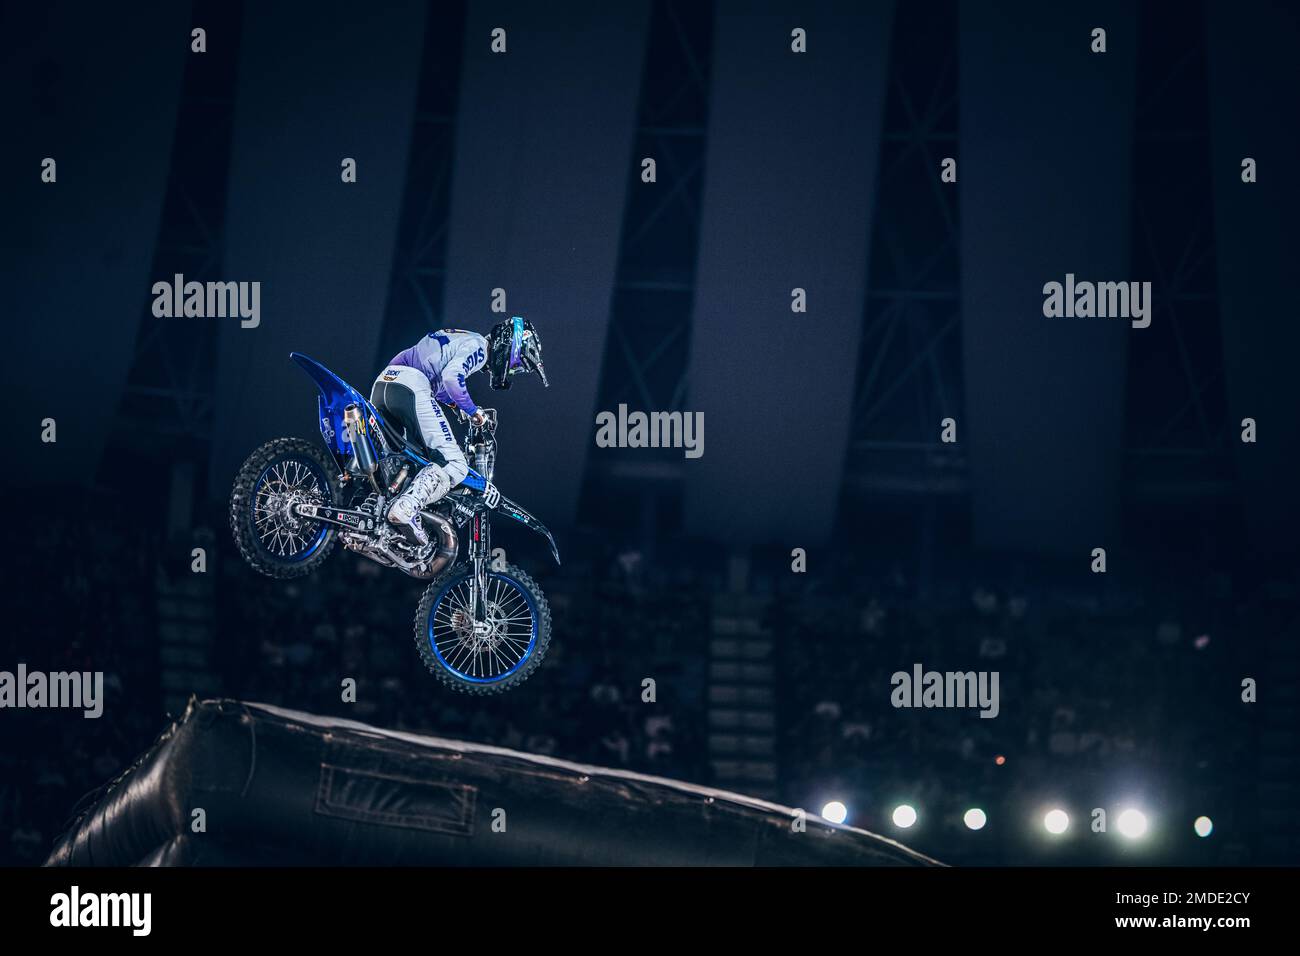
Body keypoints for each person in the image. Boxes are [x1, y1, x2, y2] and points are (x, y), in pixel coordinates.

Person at [370, 317, 547, 544]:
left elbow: (439, 380)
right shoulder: (479, 347)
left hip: (385, 383)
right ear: (509, 345)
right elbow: (452, 378)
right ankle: (407, 508)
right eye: (516, 365)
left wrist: (456, 407)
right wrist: (474, 412)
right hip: (411, 384)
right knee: (453, 463)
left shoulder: (465, 338)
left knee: (399, 462)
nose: (513, 371)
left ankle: (370, 513)